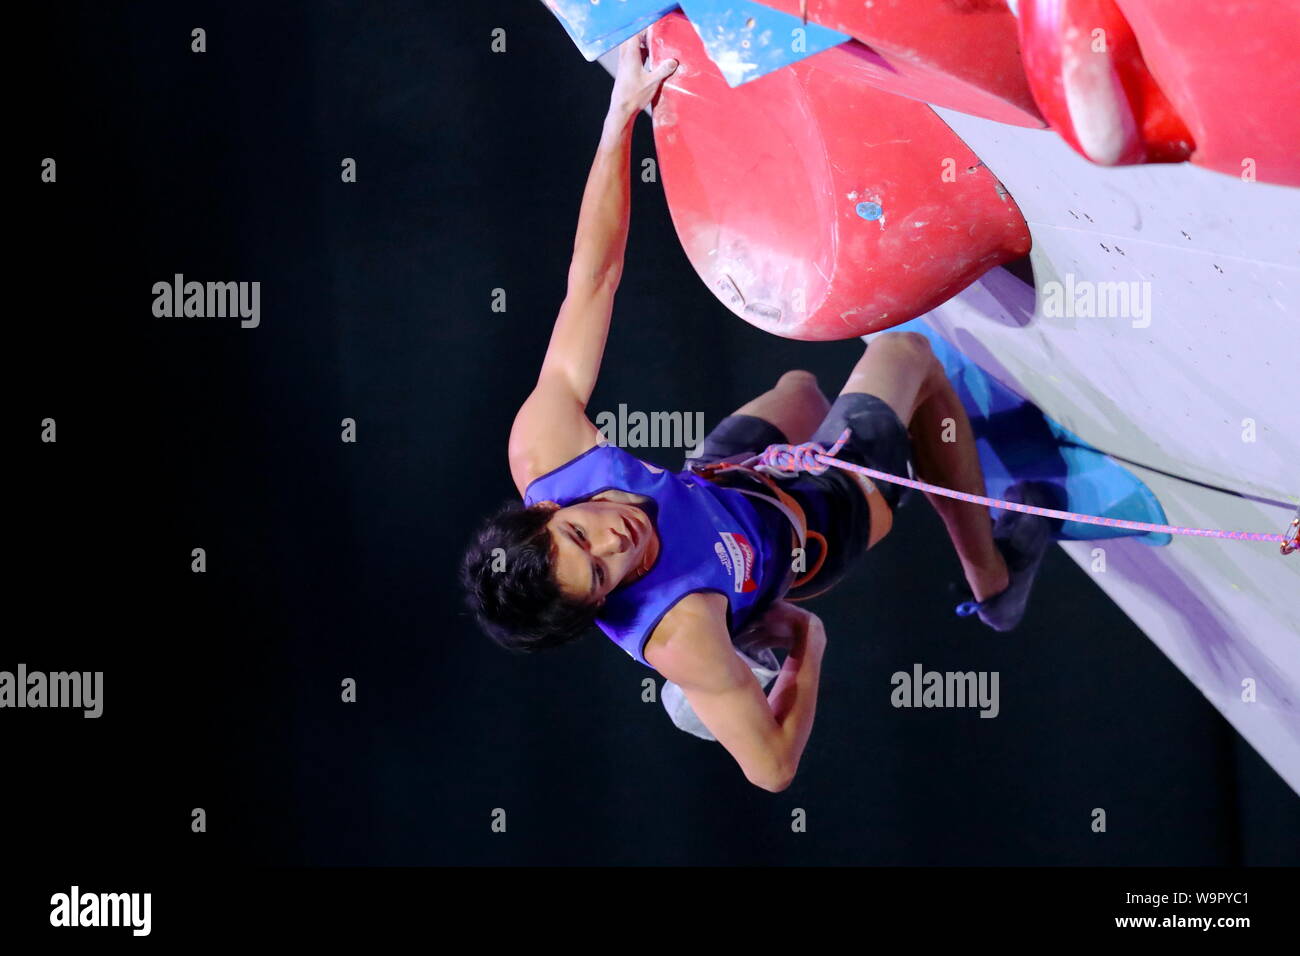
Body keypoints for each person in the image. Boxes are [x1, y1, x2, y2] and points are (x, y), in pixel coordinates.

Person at [460, 32, 1057, 791]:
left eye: (583, 533)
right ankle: (993, 579)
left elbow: (594, 279)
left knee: (802, 390)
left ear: (543, 509)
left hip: (725, 487)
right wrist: (807, 643)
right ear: (606, 604)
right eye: (607, 574)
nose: (617, 539)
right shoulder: (682, 637)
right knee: (910, 358)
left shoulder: (545, 450)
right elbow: (771, 770)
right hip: (815, 528)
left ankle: (921, 475)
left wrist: (619, 121)